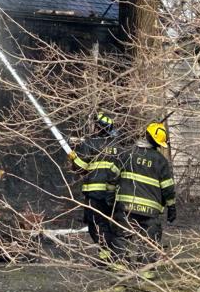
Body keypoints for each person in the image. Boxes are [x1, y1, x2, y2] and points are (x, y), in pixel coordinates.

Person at [109, 122, 175, 269]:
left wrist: (109, 199)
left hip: (125, 207)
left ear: (146, 135)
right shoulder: (160, 161)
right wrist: (172, 207)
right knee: (149, 241)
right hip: (150, 211)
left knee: (120, 236)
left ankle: (120, 269)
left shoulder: (127, 154)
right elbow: (168, 188)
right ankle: (145, 271)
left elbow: (112, 177)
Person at [69, 112, 121, 257]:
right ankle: (107, 256)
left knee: (95, 225)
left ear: (99, 127)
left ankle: (110, 254)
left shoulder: (90, 143)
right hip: (113, 193)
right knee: (108, 224)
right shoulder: (117, 145)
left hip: (94, 193)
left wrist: (73, 157)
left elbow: (81, 168)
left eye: (96, 125)